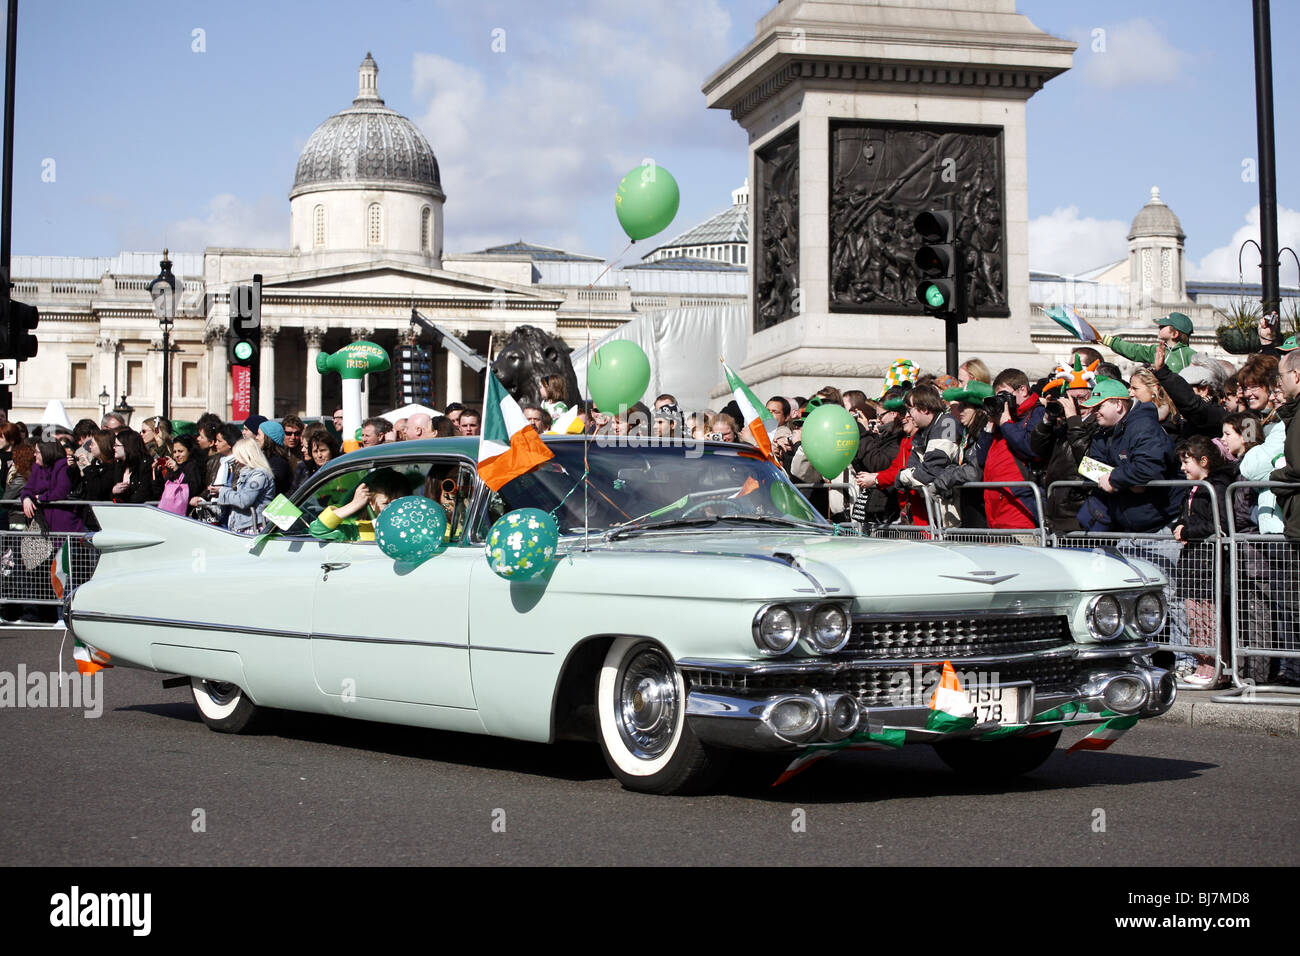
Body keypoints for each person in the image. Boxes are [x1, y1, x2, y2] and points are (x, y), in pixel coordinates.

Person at [1076, 378, 1184, 533]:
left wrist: (1115, 478)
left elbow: (1148, 469)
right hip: (1128, 525)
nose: (1095, 412)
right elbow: (1091, 467)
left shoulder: (1144, 427)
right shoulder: (1102, 432)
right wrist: (1125, 482)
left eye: (1100, 406)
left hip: (1160, 524)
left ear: (1118, 405)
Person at [1172, 435, 1236, 687]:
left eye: (1187, 462)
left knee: (1208, 618)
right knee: (1194, 617)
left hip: (1208, 563)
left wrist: (1187, 531)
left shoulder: (1216, 487)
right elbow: (1183, 516)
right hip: (1192, 562)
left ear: (1204, 461)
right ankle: (1203, 665)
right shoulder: (1192, 487)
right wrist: (1177, 526)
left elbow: (1216, 523)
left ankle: (1216, 668)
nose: (1182, 468)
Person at [974, 368, 1045, 529]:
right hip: (995, 505)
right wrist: (991, 424)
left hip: (1020, 506)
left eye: (1004, 396)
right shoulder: (1004, 420)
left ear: (1023, 390)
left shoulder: (1037, 413)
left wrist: (1006, 423)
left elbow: (1030, 447)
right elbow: (981, 458)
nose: (1002, 402)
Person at [306, 468, 411, 542]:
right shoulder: (358, 531)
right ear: (372, 504)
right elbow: (317, 530)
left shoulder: (414, 528)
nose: (393, 510)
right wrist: (354, 504)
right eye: (386, 503)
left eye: (399, 503)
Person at [214, 438, 276, 534]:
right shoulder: (247, 473)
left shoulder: (259, 475)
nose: (235, 461)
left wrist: (222, 491)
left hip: (253, 526)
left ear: (246, 455)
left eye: (237, 456)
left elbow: (244, 500)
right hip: (244, 525)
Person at [1101, 311, 1197, 372]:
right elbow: (1134, 351)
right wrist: (1110, 341)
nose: (1159, 326)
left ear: (1175, 334)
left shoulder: (1191, 355)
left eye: (1163, 326)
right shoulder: (1155, 350)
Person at [21, 441, 85, 533]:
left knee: (63, 546)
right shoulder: (37, 467)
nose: (34, 454)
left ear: (46, 452)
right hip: (44, 520)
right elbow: (28, 488)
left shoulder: (63, 466)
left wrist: (41, 497)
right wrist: (26, 498)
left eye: (37, 451)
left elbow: (61, 491)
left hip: (63, 520)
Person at [111, 429, 153, 503]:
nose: (114, 448)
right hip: (121, 511)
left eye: (116, 445)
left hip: (139, 511)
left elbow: (145, 493)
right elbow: (114, 500)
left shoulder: (146, 464)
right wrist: (113, 492)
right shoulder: (119, 465)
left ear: (128, 446)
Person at [256, 420, 295, 496]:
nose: (256, 437)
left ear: (268, 438)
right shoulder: (267, 458)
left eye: (259, 434)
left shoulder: (278, 463)